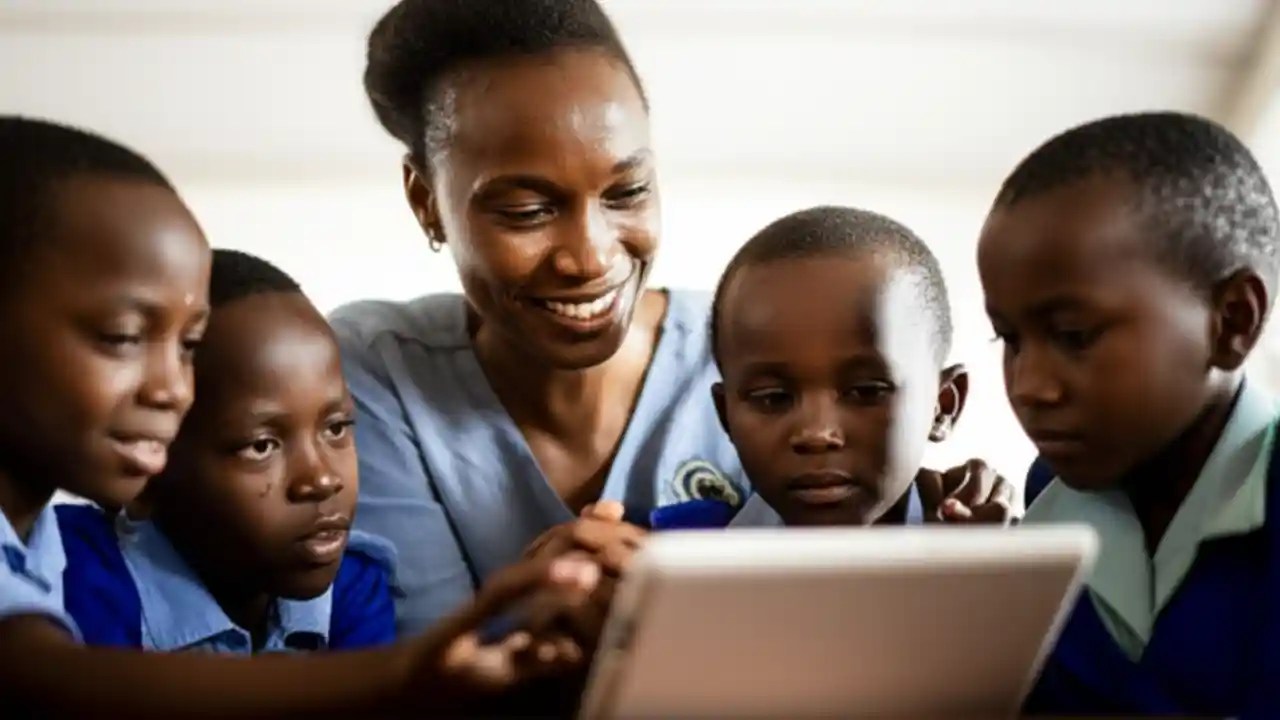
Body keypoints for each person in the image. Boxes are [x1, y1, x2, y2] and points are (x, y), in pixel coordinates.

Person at [334, 0, 1014, 635]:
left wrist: (925, 522)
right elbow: (422, 671)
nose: (590, 257)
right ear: (425, 201)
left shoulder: (758, 349)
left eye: (627, 192)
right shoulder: (372, 372)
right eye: (527, 211)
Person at [0, 115, 602, 717]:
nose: (172, 390)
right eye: (124, 336)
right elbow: (37, 677)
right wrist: (403, 676)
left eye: (186, 346)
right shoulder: (82, 568)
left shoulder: (35, 542)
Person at [979, 111, 1280, 716]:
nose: (1030, 386)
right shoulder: (1045, 508)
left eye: (1074, 334)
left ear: (1232, 322)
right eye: (1009, 339)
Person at [59, 250, 396, 652]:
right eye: (261, 447)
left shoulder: (354, 585)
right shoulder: (69, 582)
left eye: (336, 427)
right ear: (143, 472)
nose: (323, 480)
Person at [652, 206, 1014, 530]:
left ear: (943, 405)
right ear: (726, 416)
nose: (816, 433)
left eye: (866, 392)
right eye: (773, 398)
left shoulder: (1005, 558)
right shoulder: (671, 557)